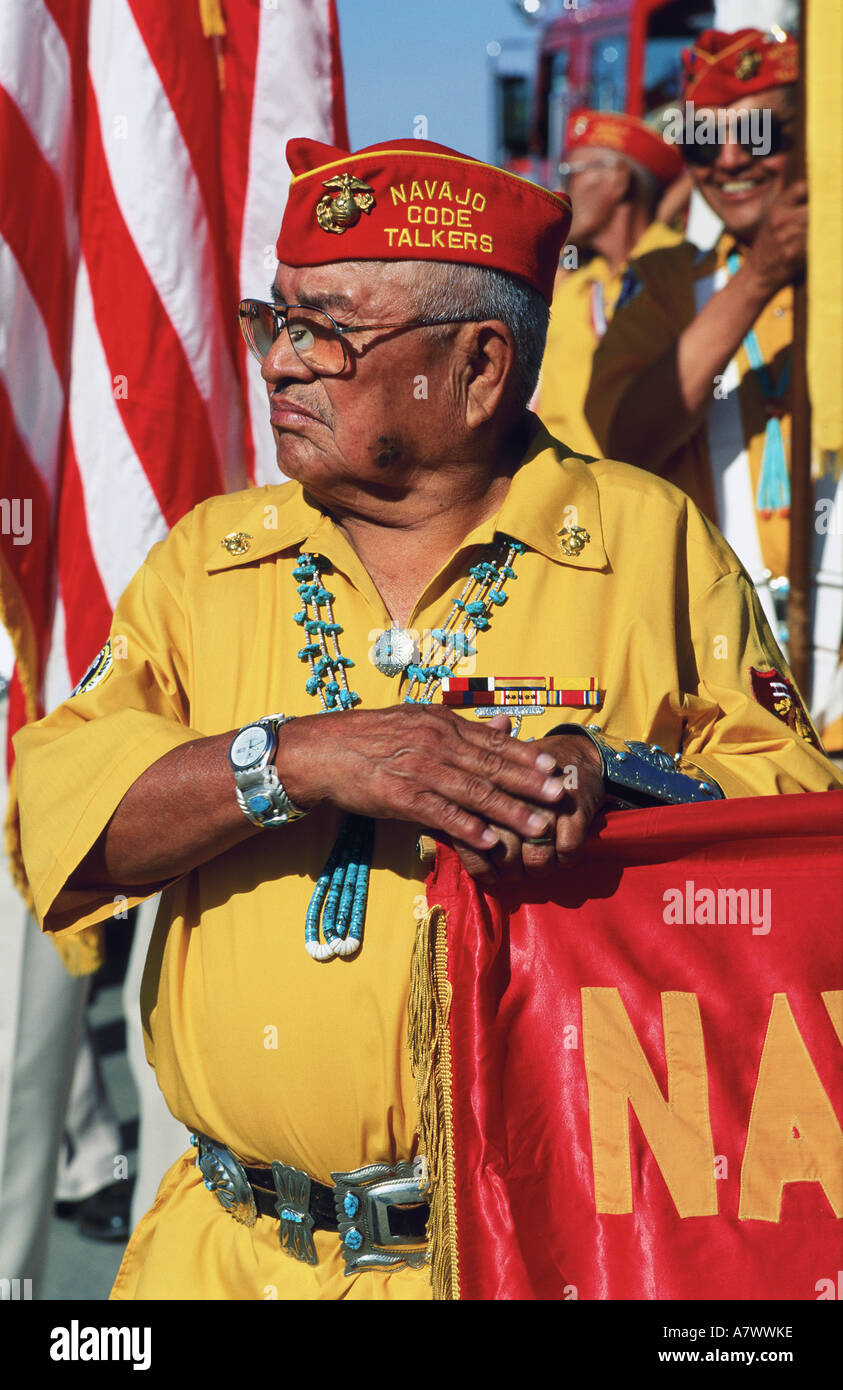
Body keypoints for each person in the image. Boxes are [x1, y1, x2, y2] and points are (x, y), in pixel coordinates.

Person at [13, 135, 841, 1302]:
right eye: (274, 321)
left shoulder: (644, 541)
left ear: (480, 366)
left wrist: (616, 785)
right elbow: (64, 820)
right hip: (224, 1256)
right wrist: (292, 760)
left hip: (519, 1257)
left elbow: (799, 832)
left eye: (330, 331)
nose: (281, 364)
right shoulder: (211, 556)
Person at [584, 28, 842, 753]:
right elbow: (627, 443)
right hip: (737, 686)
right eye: (703, 143)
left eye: (758, 136)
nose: (728, 162)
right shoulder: (667, 283)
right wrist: (759, 277)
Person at [538, 109, 684, 454]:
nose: (561, 189)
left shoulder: (687, 271)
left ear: (619, 181)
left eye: (570, 173)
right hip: (568, 499)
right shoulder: (572, 289)